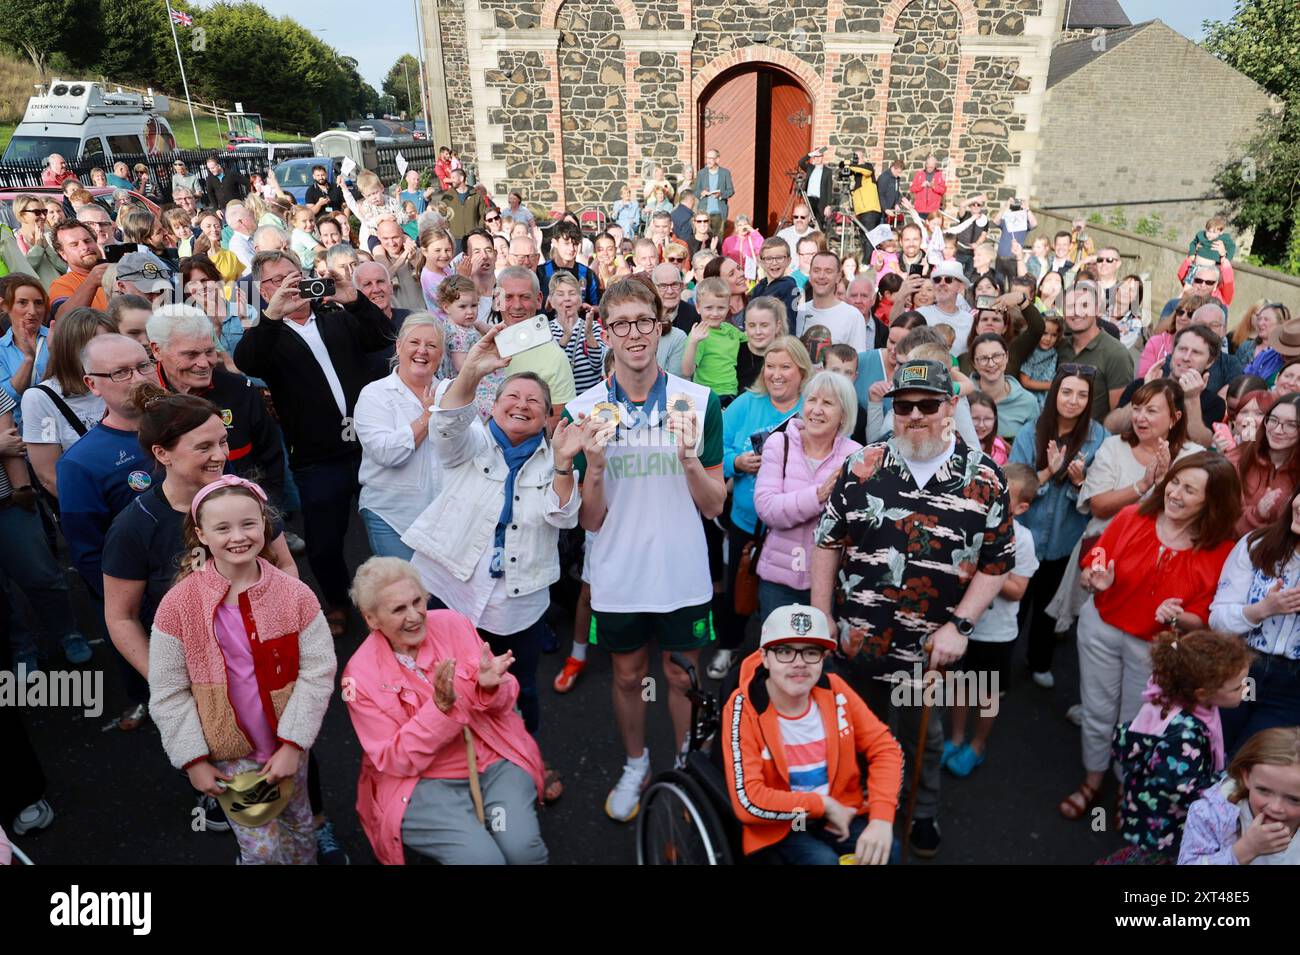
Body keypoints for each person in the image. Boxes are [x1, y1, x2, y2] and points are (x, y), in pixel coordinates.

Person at [813, 357, 1014, 857]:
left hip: (932, 648)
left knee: (924, 737)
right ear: (892, 409)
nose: (916, 415)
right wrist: (821, 618)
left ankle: (921, 810)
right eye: (905, 406)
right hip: (859, 638)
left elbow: (998, 563)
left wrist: (961, 626)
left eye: (929, 404)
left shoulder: (985, 477)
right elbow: (826, 543)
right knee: (857, 731)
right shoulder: (863, 465)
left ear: (950, 407)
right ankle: (861, 808)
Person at [564, 276, 726, 819]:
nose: (633, 333)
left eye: (643, 321)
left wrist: (686, 460)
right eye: (620, 323)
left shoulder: (698, 402)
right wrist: (596, 470)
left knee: (681, 675)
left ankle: (686, 766)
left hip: (681, 570)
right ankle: (637, 763)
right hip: (617, 573)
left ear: (661, 325)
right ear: (605, 332)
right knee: (630, 676)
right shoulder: (583, 411)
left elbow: (714, 505)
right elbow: (589, 520)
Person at [402, 327, 581, 743]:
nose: (522, 405)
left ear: (547, 414)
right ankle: (452, 760)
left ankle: (521, 759)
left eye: (534, 401)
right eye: (512, 398)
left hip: (517, 603)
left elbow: (565, 518)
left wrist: (564, 464)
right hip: (449, 586)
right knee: (441, 680)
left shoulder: (557, 456)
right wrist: (472, 374)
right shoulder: (471, 442)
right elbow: (445, 425)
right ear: (494, 406)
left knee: (519, 688)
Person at [148, 476, 334, 865]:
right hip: (231, 757)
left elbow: (318, 671)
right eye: (222, 527)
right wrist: (193, 760)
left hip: (287, 748)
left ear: (264, 525)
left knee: (301, 831)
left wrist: (293, 745)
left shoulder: (295, 595)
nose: (238, 536)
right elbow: (168, 691)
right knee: (262, 852)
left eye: (248, 524)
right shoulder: (177, 607)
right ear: (201, 534)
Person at [1063, 452, 1241, 820]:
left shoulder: (1221, 549)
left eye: (1189, 490)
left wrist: (1182, 617)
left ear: (1212, 501)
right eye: (1174, 481)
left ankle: (1127, 787)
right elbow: (1095, 560)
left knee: (1137, 722)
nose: (1174, 493)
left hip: (1157, 649)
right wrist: (1095, 577)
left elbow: (1209, 614)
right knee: (1096, 711)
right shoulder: (1132, 516)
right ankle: (1092, 780)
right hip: (1101, 629)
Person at [342, 557, 547, 865]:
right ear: (371, 619)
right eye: (398, 609)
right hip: (425, 784)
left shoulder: (454, 623)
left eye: (417, 601)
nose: (414, 616)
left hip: (491, 760)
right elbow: (393, 759)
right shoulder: (358, 677)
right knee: (483, 860)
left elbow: (507, 702)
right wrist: (439, 710)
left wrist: (491, 688)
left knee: (521, 849)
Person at [234, 250, 394, 636]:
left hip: (370, 446)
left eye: (294, 274)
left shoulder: (337, 319)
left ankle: (394, 595)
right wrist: (272, 312)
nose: (289, 284)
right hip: (318, 458)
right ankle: (338, 600)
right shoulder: (267, 335)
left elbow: (383, 336)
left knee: (389, 526)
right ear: (262, 290)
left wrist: (352, 298)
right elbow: (249, 361)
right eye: (275, 280)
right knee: (323, 544)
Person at [723, 604, 901, 864]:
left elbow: (886, 748)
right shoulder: (743, 706)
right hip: (784, 822)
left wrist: (882, 819)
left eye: (810, 652)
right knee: (822, 861)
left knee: (886, 850)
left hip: (839, 810)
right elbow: (748, 801)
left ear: (823, 657)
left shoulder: (836, 690)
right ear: (764, 657)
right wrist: (823, 805)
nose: (799, 663)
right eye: (785, 651)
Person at [1103, 629, 1252, 864]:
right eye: (1237, 687)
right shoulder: (1183, 736)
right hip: (1163, 825)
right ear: (1202, 693)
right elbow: (1187, 792)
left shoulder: (1179, 698)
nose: (1246, 690)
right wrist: (1231, 778)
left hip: (1148, 802)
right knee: (1151, 859)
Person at [710, 337, 812, 679]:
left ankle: (783, 663)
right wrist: (737, 461)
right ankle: (729, 645)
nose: (776, 375)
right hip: (747, 522)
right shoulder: (745, 404)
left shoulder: (812, 408)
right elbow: (715, 452)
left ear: (801, 371)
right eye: (770, 366)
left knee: (788, 598)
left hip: (795, 528)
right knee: (739, 590)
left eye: (785, 367)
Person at [1008, 367, 1105, 686]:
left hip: (1066, 538)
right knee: (1014, 609)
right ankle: (1002, 674)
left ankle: (1040, 662)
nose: (1073, 401)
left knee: (1051, 607)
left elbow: (1099, 494)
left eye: (1081, 394)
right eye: (1066, 392)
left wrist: (1080, 484)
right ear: (1054, 394)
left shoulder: (1099, 437)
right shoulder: (1030, 432)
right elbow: (1015, 488)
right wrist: (1049, 472)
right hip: (1026, 536)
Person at [944, 463, 1040, 777]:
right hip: (966, 628)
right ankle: (956, 738)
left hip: (997, 634)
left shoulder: (1023, 540)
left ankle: (977, 745)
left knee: (986, 695)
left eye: (1004, 498)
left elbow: (1018, 590)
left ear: (1022, 507)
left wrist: (987, 575)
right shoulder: (974, 526)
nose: (993, 502)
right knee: (960, 687)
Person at [148, 304, 285, 506]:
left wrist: (265, 510)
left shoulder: (239, 389)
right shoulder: (142, 401)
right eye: (191, 355)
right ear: (157, 350)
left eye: (210, 351)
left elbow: (271, 457)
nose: (204, 363)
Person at [753, 370, 861, 620]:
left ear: (843, 414)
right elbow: (767, 508)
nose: (817, 410)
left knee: (825, 657)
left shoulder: (855, 456)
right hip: (778, 582)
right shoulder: (779, 444)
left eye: (828, 403)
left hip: (830, 583)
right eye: (812, 400)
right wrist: (819, 495)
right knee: (778, 655)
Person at [0, 384, 92, 671]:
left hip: (9, 502)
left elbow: (11, 442)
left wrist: (22, 488)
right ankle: (21, 646)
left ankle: (68, 633)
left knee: (41, 574)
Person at [1210, 486, 1300, 746]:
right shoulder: (1257, 545)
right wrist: (1263, 609)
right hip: (1245, 672)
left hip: (1291, 689)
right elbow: (1218, 620)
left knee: (1254, 758)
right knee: (1221, 745)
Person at [352, 315, 446, 561]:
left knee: (440, 598)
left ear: (441, 354)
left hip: (444, 520)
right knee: (404, 593)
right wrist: (429, 414)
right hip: (392, 518)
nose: (422, 351)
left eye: (432, 345)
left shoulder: (450, 393)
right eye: (414, 342)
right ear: (398, 346)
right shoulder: (375, 394)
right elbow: (387, 453)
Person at [20, 307, 114, 499]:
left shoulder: (118, 381)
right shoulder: (40, 398)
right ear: (71, 349)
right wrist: (94, 510)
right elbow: (49, 476)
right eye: (98, 345)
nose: (111, 352)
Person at [1178, 726, 1300, 865]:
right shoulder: (1209, 814)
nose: (1276, 807)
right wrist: (1245, 849)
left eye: (1294, 799)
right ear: (1246, 776)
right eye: (1264, 790)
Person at [1226, 393, 1300, 536]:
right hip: (1235, 549)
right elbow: (1222, 517)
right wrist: (1256, 514)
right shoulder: (1237, 459)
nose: (1278, 430)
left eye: (1291, 425)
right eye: (1273, 420)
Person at [1057, 282, 1134, 421]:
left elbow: (1118, 415)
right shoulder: (1060, 347)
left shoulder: (1116, 354)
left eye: (1084, 305)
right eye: (1070, 306)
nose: (1076, 312)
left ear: (1097, 310)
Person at [967, 333, 1040, 439]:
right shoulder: (962, 397)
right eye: (983, 358)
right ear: (974, 363)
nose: (991, 364)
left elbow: (1033, 446)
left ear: (1006, 357)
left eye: (997, 356)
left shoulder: (1028, 402)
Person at [795, 251, 868, 350]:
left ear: (838, 277)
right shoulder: (798, 312)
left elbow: (859, 360)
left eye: (828, 271)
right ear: (810, 275)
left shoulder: (853, 316)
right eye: (816, 270)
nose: (821, 276)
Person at [693, 150, 735, 236]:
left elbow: (731, 191)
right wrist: (701, 193)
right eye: (707, 158)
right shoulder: (701, 173)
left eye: (711, 158)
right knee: (703, 238)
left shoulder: (725, 173)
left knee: (718, 240)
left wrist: (721, 195)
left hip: (719, 213)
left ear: (717, 159)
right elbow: (695, 190)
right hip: (704, 213)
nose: (708, 160)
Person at [967, 391, 1009, 464]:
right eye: (975, 418)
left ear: (995, 420)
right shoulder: (952, 444)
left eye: (987, 419)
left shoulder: (997, 449)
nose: (981, 425)